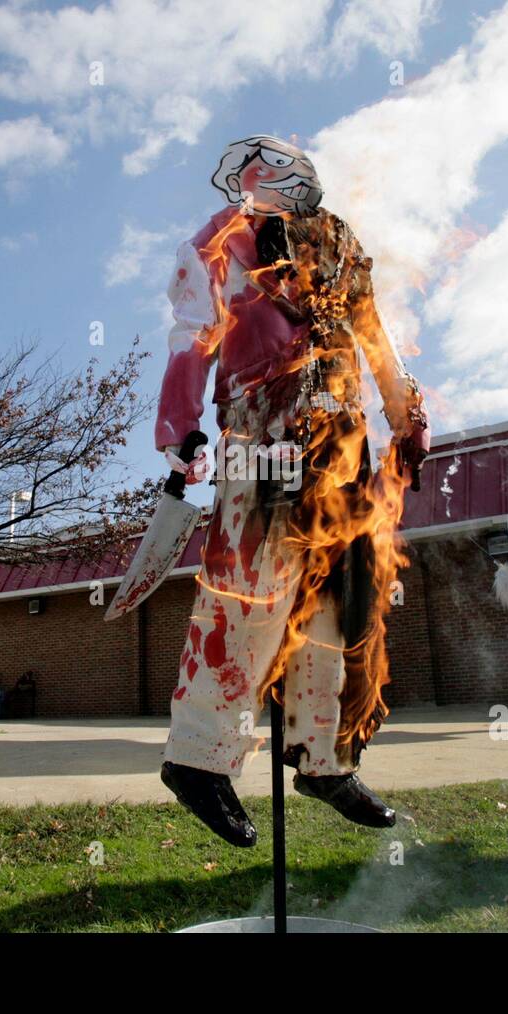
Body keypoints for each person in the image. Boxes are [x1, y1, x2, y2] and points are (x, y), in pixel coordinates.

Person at [157, 135, 430, 846]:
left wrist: (406, 416)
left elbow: (375, 336)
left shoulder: (342, 247)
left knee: (336, 601)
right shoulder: (223, 242)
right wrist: (181, 429)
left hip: (339, 443)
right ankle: (199, 759)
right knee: (252, 588)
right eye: (257, 173)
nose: (270, 181)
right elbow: (192, 335)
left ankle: (323, 757)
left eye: (283, 169)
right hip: (260, 430)